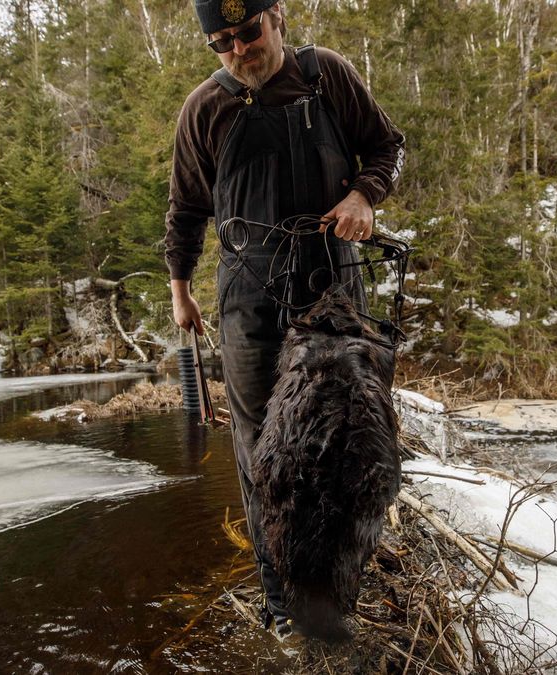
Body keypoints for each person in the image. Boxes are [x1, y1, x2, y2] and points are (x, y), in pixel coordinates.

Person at [164, 0, 405, 639]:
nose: (240, 50)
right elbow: (186, 209)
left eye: (249, 33)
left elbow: (387, 147)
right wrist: (180, 288)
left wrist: (363, 196)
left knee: (351, 436)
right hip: (248, 293)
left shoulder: (326, 74)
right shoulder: (204, 108)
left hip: (334, 283)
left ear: (277, 19)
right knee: (259, 449)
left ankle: (340, 582)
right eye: (223, 43)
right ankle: (282, 598)